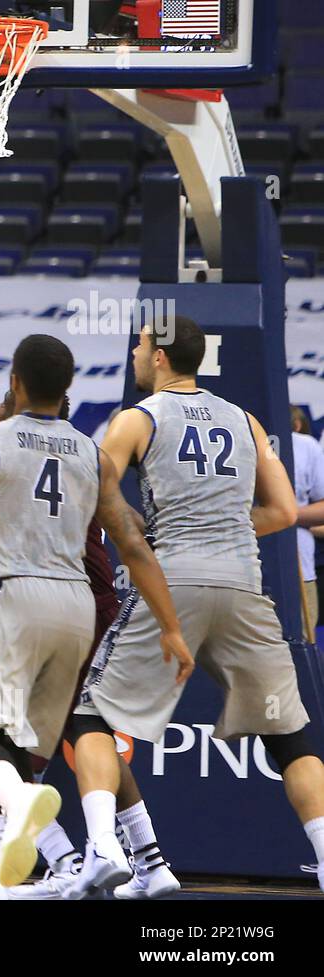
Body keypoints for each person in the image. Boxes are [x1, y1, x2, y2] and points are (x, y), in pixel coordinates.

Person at [0, 333, 189, 898]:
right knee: (18, 747)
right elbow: (134, 547)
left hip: (15, 597)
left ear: (15, 381)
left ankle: (19, 805)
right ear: (67, 388)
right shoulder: (93, 454)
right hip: (77, 609)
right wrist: (168, 624)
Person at [72, 318, 324, 897]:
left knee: (91, 716)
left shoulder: (138, 418)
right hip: (244, 585)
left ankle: (104, 851)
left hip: (173, 579)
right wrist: (228, 529)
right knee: (290, 736)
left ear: (159, 357)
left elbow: (91, 490)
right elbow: (285, 512)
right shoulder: (246, 420)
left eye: (138, 345)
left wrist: (142, 531)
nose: (134, 354)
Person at [290, 407, 324, 638]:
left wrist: (281, 515)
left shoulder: (306, 446)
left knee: (304, 644)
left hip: (301, 566)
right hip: (243, 569)